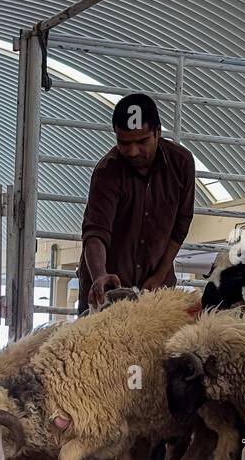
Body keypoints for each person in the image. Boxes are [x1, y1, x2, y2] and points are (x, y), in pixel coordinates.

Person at [77, 93, 195, 313]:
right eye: (123, 143)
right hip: (109, 292)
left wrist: (159, 276)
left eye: (141, 141)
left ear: (158, 132)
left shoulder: (181, 163)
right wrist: (100, 275)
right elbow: (95, 232)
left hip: (158, 290)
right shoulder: (107, 172)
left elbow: (182, 223)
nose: (132, 152)